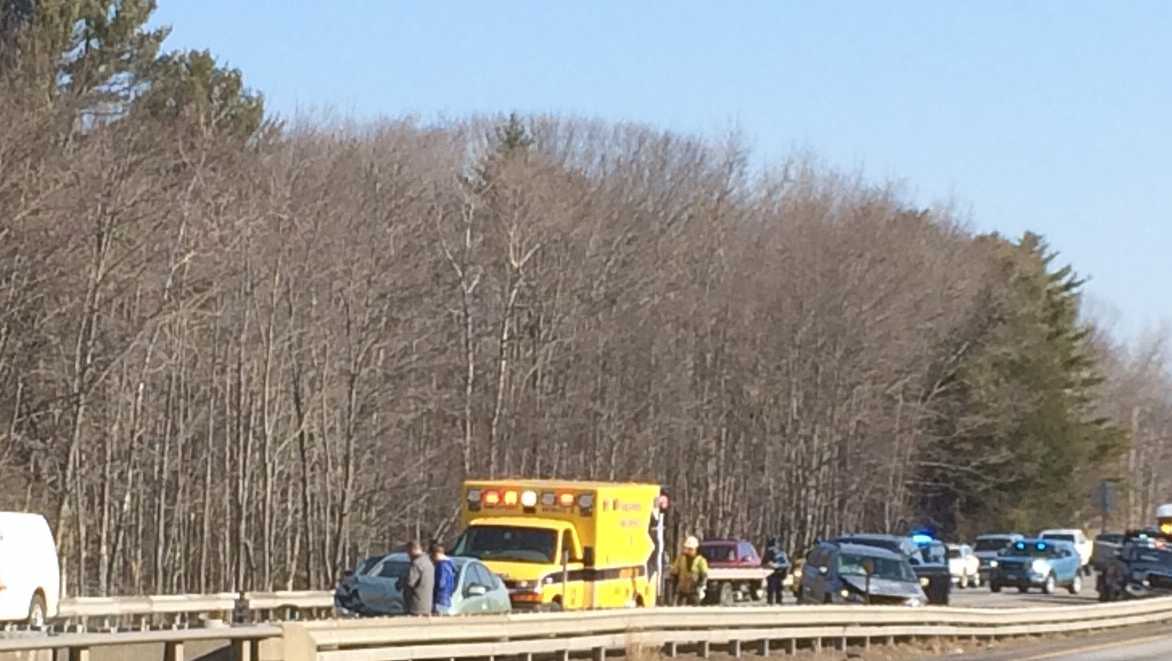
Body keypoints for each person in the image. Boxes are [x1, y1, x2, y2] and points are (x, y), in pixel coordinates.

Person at [669, 535, 708, 606]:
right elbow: (675, 572)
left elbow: (704, 575)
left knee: (695, 608)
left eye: (691, 549)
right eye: (687, 549)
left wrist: (701, 586)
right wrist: (674, 584)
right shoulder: (681, 558)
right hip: (681, 589)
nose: (688, 551)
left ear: (696, 549)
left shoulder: (700, 560)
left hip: (694, 589)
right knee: (676, 607)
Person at [402, 541, 434, 616]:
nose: (408, 555)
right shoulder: (428, 562)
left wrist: (401, 582)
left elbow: (410, 582)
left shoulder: (416, 564)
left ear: (412, 550)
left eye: (408, 552)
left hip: (415, 605)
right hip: (427, 604)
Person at [430, 541, 457, 615]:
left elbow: (440, 583)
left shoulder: (441, 566)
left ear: (435, 554)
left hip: (440, 598)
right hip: (447, 598)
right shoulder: (449, 565)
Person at [763, 537, 789, 605]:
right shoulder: (767, 554)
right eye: (770, 548)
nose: (772, 550)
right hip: (770, 574)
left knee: (778, 588)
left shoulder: (782, 554)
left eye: (773, 548)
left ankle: (779, 601)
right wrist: (767, 565)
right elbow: (762, 563)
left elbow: (787, 564)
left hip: (779, 573)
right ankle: (769, 601)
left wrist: (778, 565)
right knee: (770, 588)